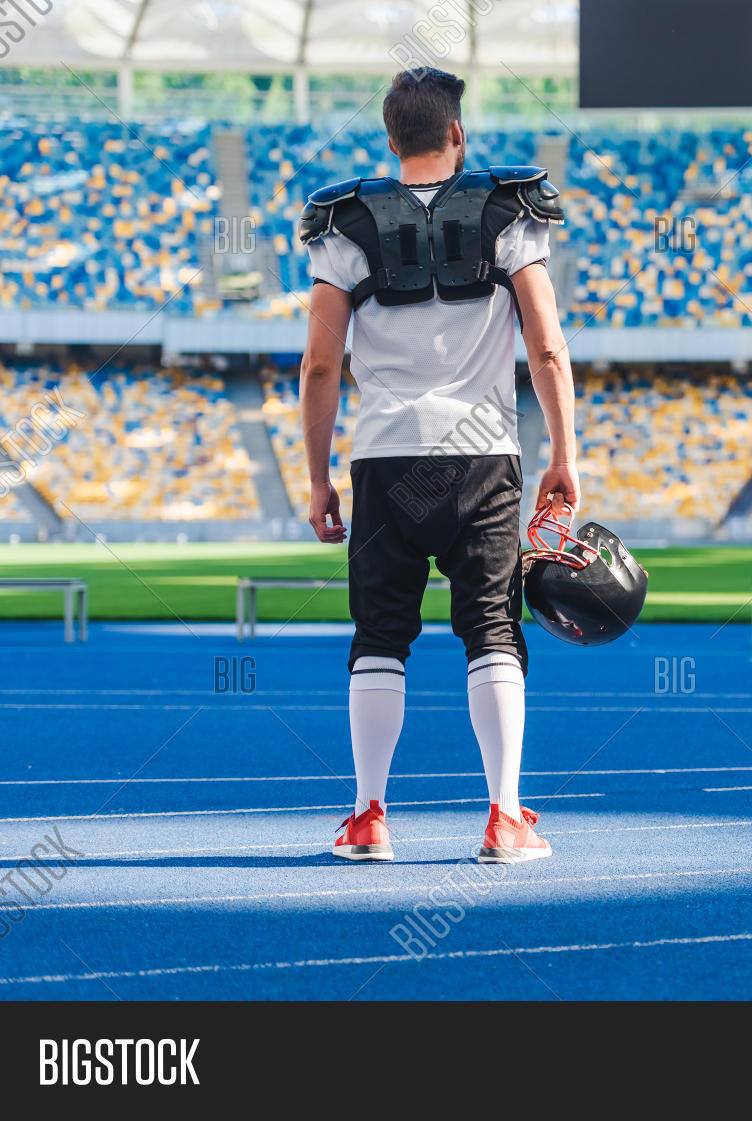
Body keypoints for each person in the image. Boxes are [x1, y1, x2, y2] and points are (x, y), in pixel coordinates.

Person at [296, 66, 578, 865]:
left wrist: (317, 478)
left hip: (385, 457)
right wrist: (564, 454)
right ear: (457, 133)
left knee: (380, 635)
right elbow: (547, 347)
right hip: (483, 454)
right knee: (492, 628)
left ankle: (368, 817)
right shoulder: (510, 212)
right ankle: (504, 818)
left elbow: (320, 366)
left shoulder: (343, 224)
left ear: (392, 142)